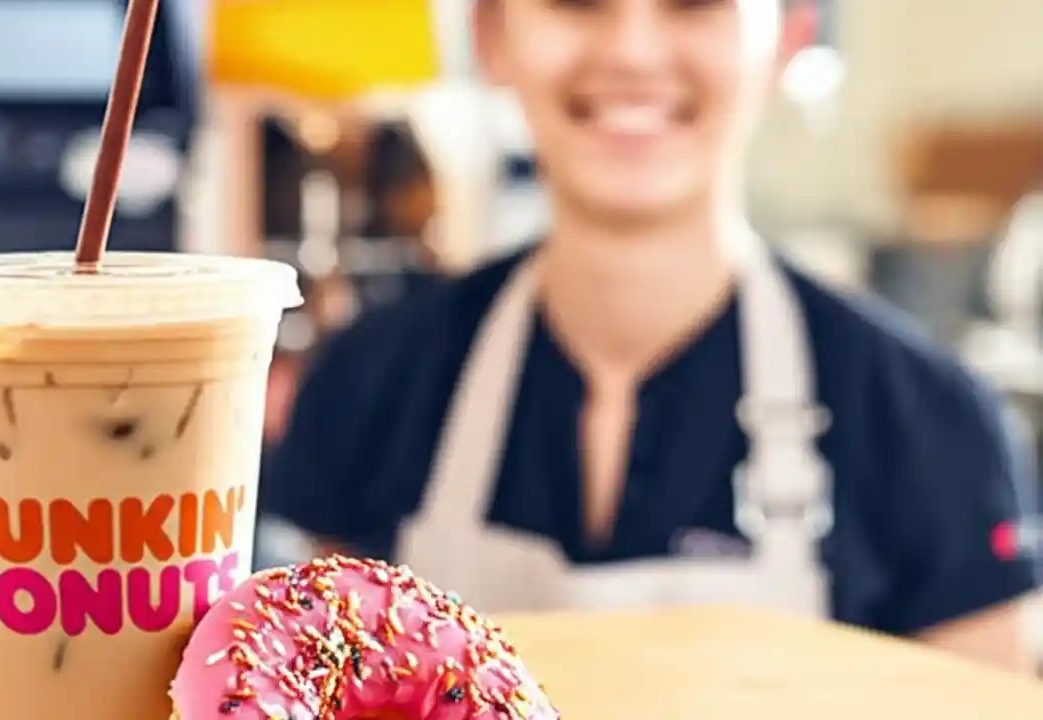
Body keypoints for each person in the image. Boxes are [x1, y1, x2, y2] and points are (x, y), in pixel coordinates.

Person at [258, 0, 1041, 671]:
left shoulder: (933, 420)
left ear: (789, 37)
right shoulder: (368, 383)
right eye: (575, 0)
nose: (631, 51)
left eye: (694, 1)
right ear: (493, 36)